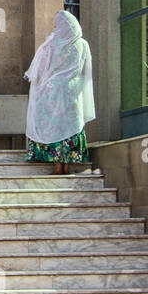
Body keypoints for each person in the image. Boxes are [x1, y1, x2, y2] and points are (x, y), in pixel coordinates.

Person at [24, 10, 95, 175]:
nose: (55, 28)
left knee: (55, 127)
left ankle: (57, 166)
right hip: (73, 94)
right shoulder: (83, 44)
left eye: (56, 25)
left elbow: (39, 70)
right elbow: (86, 71)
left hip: (52, 93)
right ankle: (67, 166)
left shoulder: (51, 44)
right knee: (69, 127)